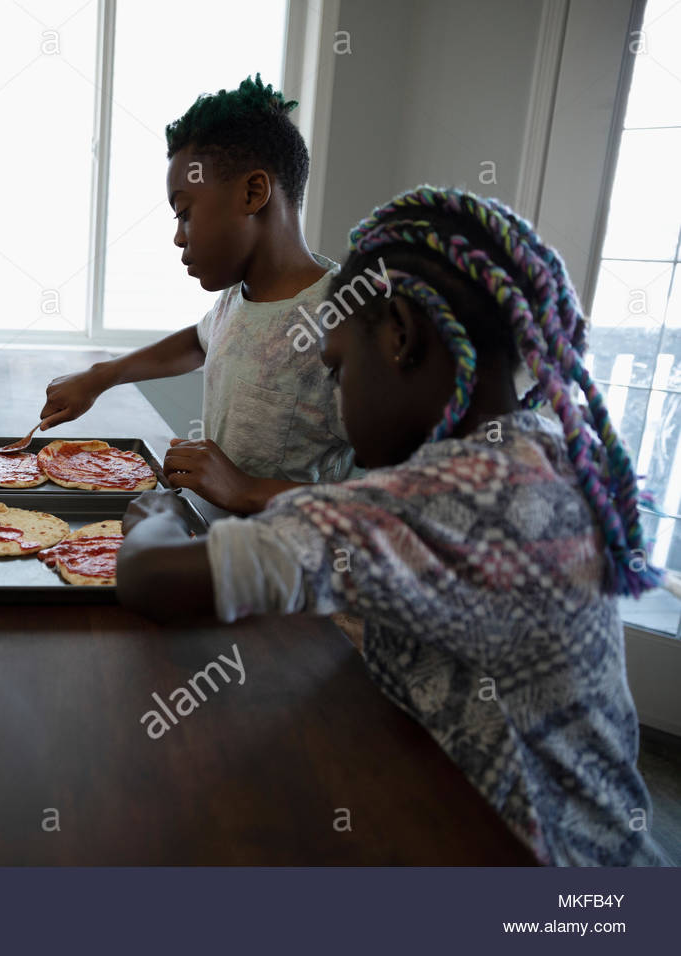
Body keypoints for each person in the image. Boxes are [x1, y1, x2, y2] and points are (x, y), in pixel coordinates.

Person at [117, 186, 672, 866]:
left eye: (340, 369)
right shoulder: (538, 449)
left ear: (400, 337)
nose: (340, 396)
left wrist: (155, 510)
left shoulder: (453, 499)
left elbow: (152, 577)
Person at [40, 75, 353, 513]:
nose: (178, 237)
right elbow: (198, 342)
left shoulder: (344, 319)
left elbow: (397, 495)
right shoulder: (236, 299)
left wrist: (245, 489)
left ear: (253, 192)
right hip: (224, 555)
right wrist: (101, 376)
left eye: (184, 214)